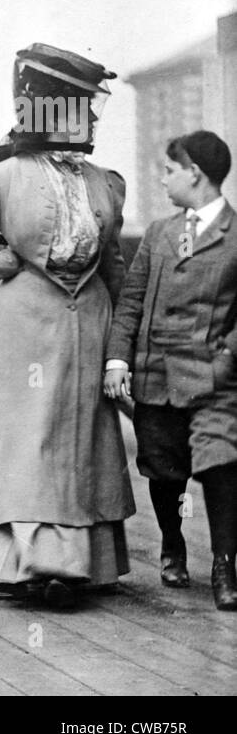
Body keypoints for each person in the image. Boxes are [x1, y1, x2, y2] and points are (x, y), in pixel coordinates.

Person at [0, 42, 134, 608]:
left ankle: (85, 565)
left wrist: (123, 340)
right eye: (84, 106)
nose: (94, 117)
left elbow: (114, 264)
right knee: (30, 440)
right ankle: (32, 566)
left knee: (89, 438)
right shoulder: (0, 177)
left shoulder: (105, 183)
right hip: (24, 327)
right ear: (54, 110)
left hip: (91, 322)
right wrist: (9, 266)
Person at [104, 130, 237, 611]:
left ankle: (225, 565)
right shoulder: (160, 233)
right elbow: (132, 300)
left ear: (195, 173)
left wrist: (225, 356)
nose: (163, 179)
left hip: (213, 384)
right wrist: (118, 358)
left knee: (222, 467)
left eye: (169, 170)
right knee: (162, 471)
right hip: (156, 376)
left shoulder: (236, 236)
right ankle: (172, 544)